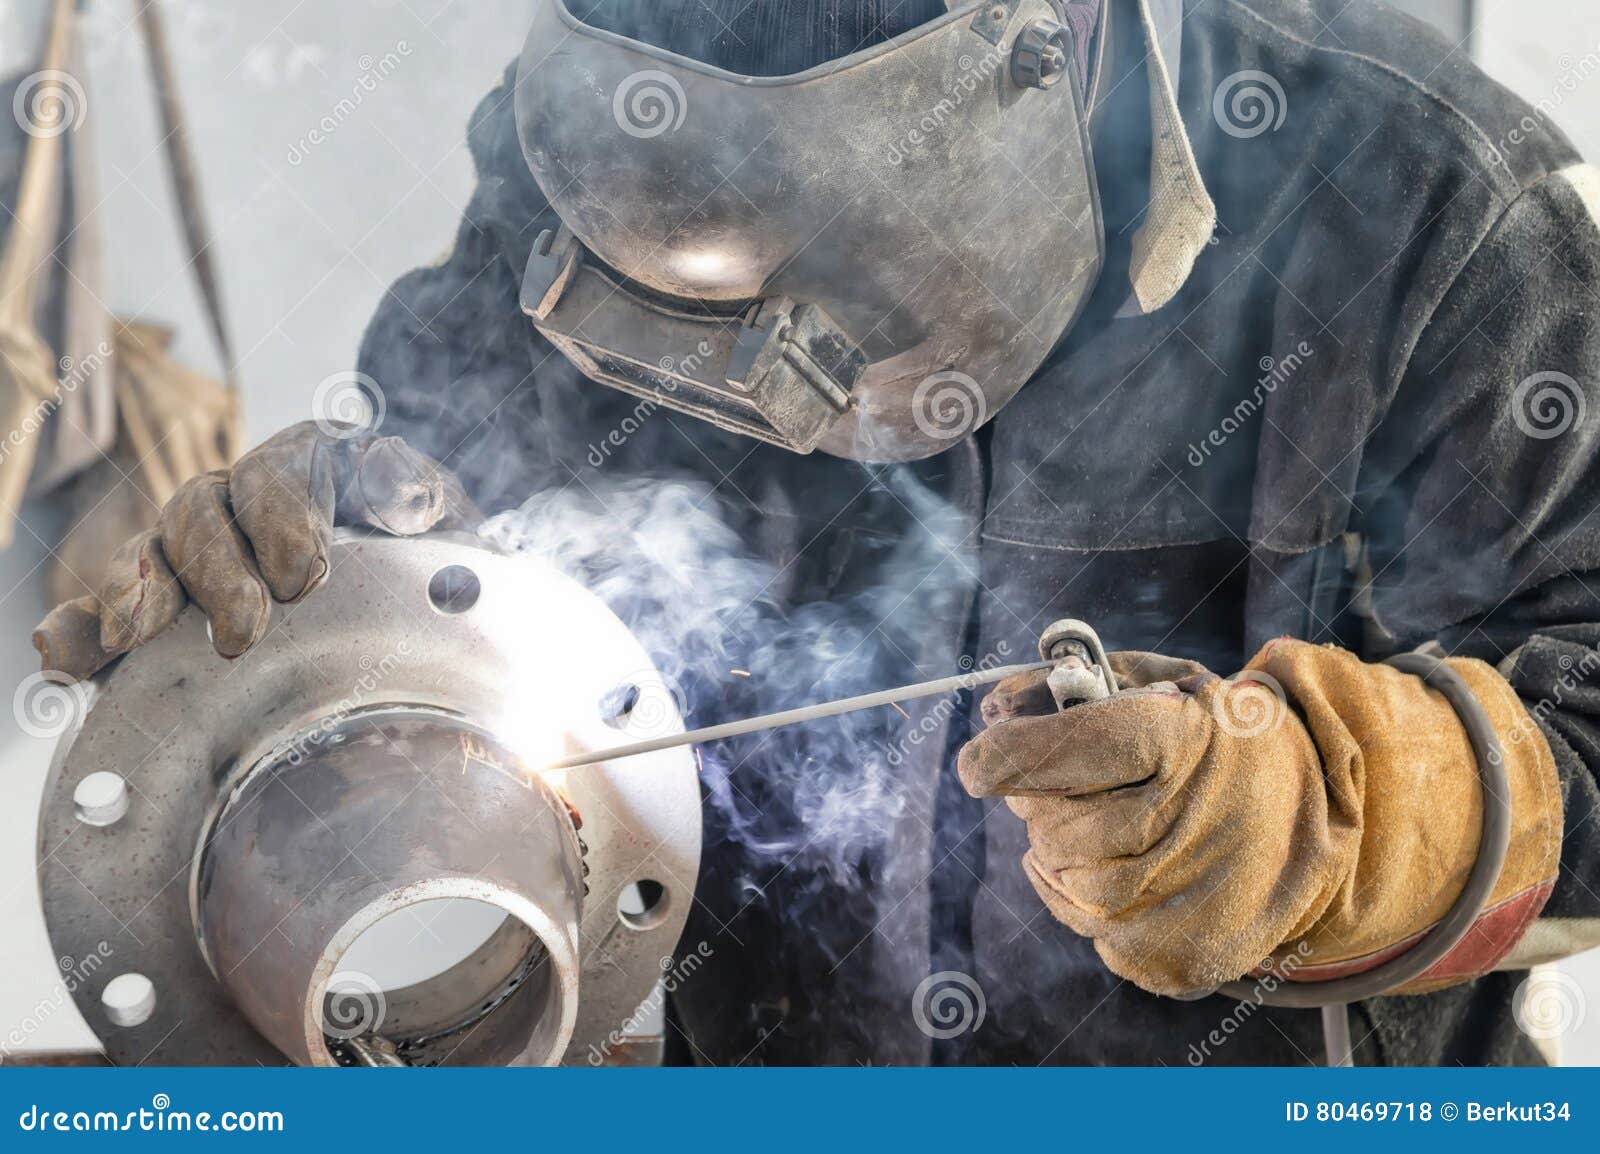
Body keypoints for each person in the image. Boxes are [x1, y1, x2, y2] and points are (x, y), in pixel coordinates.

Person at [33, 0, 1600, 1065]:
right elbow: (442, 485)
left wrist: (1355, 815)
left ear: (1044, 58)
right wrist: (342, 571)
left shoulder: (1433, 218)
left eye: (828, 314)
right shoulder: (607, 142)